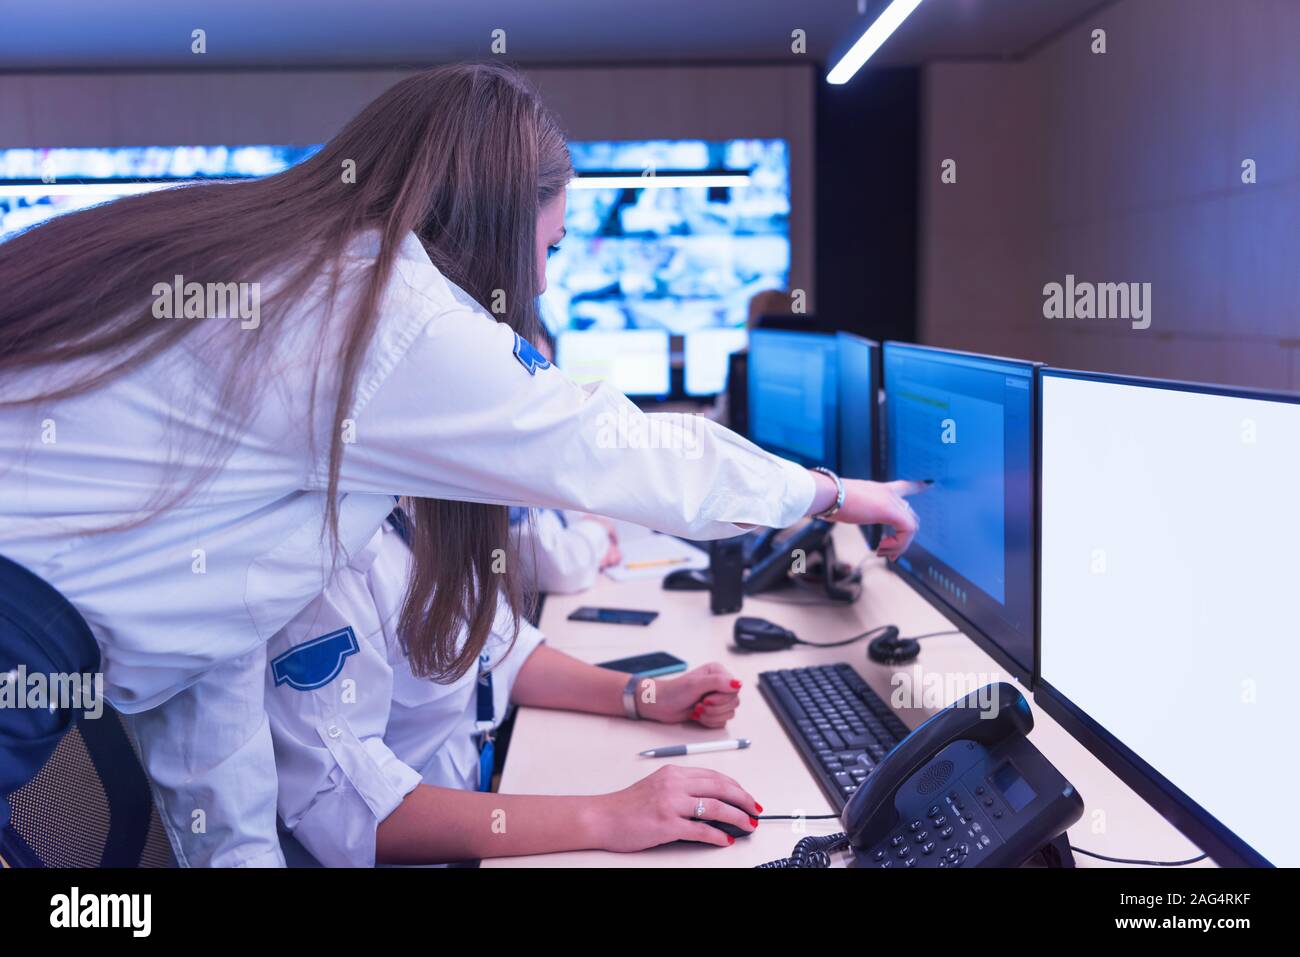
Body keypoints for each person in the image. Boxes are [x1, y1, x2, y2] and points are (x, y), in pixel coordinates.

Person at [0, 63, 922, 867]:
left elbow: (212, 662)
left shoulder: (293, 289)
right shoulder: (382, 314)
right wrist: (830, 492)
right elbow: (608, 443)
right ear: (491, 220)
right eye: (550, 247)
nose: (548, 284)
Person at [268, 512, 749, 866]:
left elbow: (501, 653)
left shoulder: (431, 509)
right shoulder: (327, 556)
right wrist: (608, 816)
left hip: (469, 830)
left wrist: (646, 697)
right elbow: (346, 810)